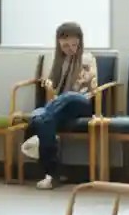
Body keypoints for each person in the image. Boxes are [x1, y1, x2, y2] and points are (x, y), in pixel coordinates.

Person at [19, 22, 98, 190]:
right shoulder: (55, 62)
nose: (71, 49)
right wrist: (49, 84)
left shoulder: (88, 59)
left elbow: (94, 90)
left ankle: (32, 137)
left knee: (65, 99)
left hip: (81, 104)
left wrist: (88, 80)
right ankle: (52, 174)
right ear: (59, 44)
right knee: (42, 118)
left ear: (80, 43)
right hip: (58, 106)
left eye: (74, 45)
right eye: (65, 46)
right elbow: (52, 89)